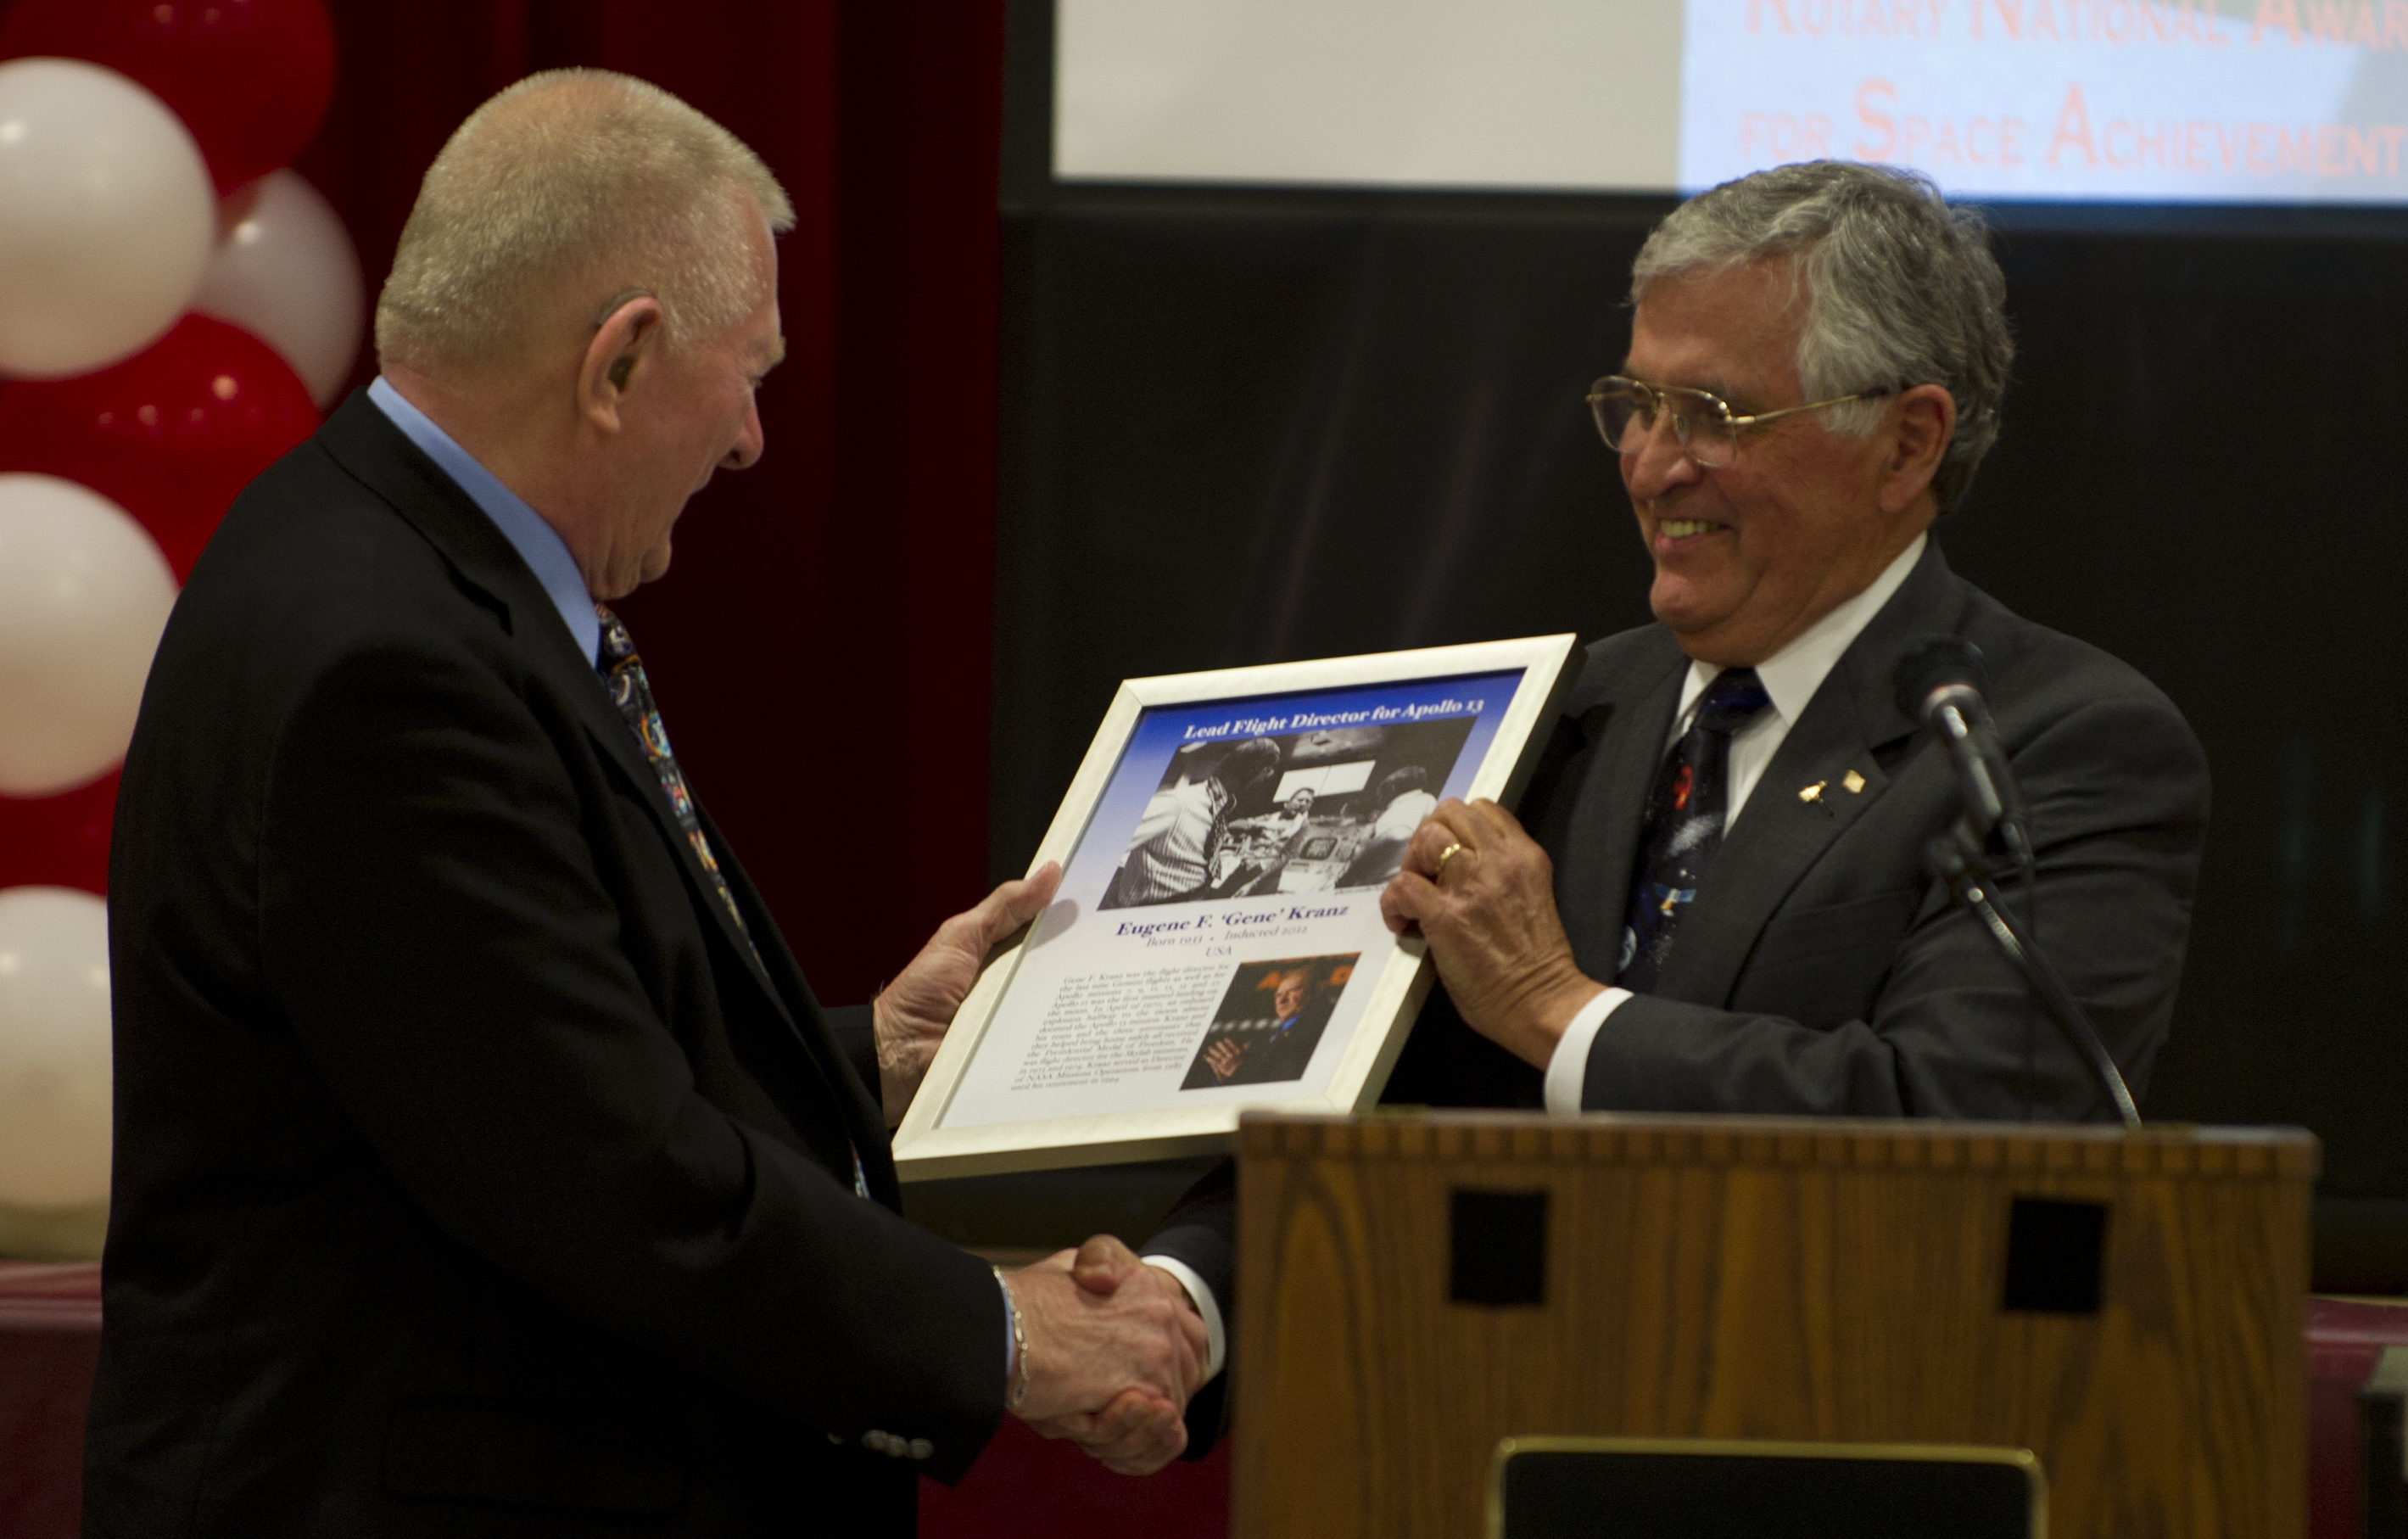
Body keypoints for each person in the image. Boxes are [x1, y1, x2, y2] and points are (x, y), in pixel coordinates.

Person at [85, 71, 1205, 1536]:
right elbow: (607, 1175)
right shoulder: (386, 656)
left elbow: (512, 1061)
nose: (747, 439)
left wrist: (853, 1056)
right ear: (615, 364)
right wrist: (1003, 1330)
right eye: (747, 372)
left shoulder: (369, 557)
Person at [1111, 159, 2210, 1459]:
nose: (1648, 463)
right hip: (1480, 1446)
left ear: (1905, 441)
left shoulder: (2047, 741)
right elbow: (1370, 1089)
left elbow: (1962, 1134)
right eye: (1633, 404)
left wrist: (1560, 1012)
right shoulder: (1556, 710)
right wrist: (1179, 1305)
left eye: (1711, 413)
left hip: (1855, 1459)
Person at [1103, 737, 1282, 907]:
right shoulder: (1177, 804)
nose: (1268, 778)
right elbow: (1106, 842)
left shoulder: (1219, 808)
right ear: (1253, 771)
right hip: (1150, 913)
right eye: (1268, 771)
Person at [1187, 967, 1336, 1088]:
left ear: (1317, 990)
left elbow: (1284, 1083)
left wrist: (1238, 1072)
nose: (1282, 1000)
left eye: (1292, 991)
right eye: (1278, 995)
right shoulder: (1265, 1039)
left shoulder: (1318, 1029)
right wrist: (1225, 1078)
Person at [1336, 764, 1438, 888]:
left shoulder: (1405, 805)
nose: (1377, 795)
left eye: (1381, 788)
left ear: (1392, 787)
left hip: (1388, 884)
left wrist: (1349, 877)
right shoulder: (1425, 800)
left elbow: (1396, 837)